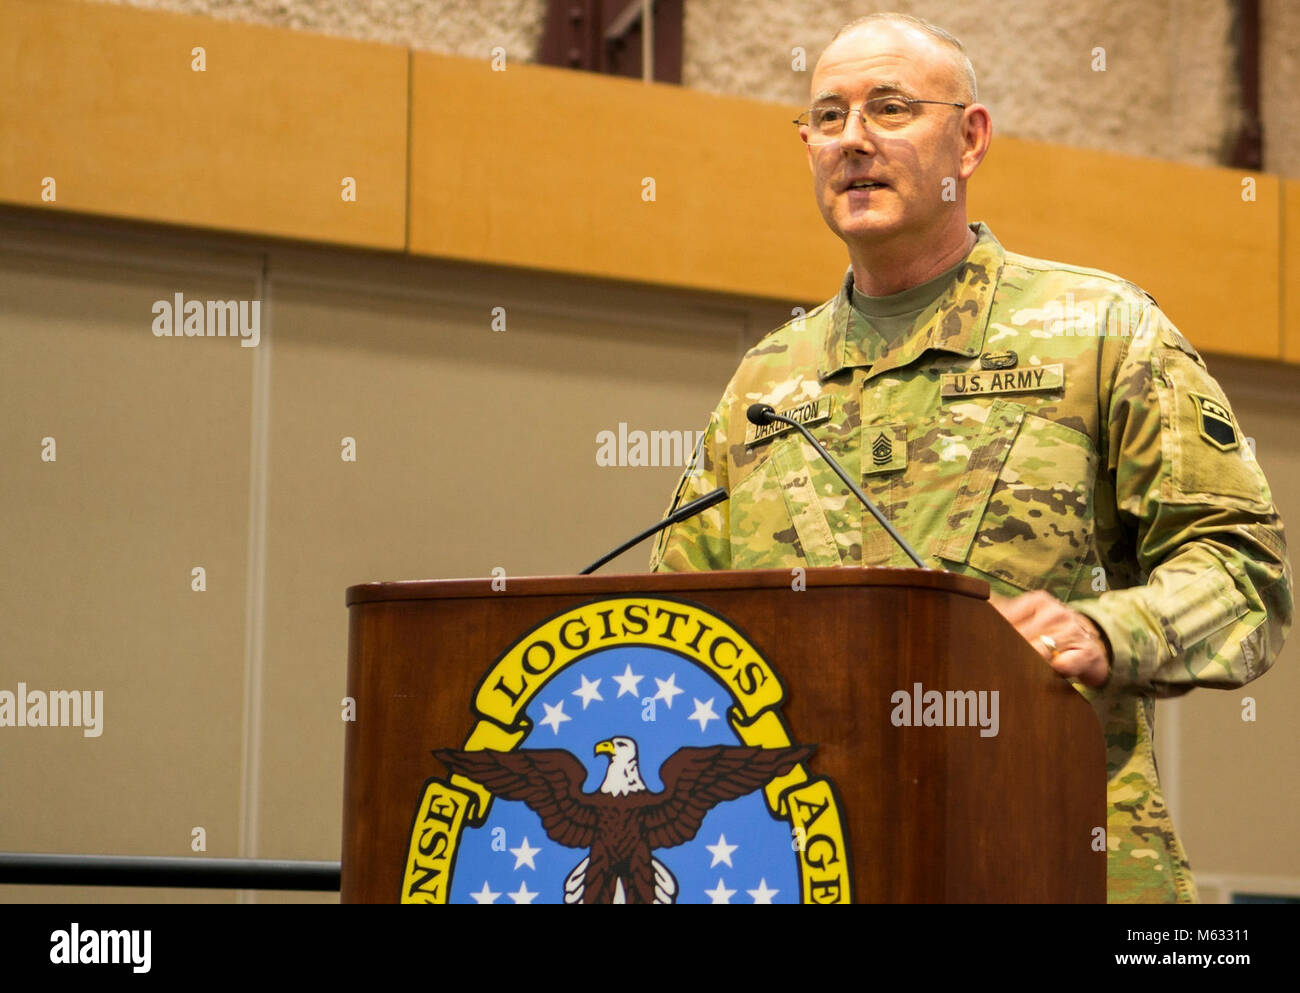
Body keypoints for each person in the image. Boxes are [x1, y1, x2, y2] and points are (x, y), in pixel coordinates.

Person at [649, 12, 1291, 903]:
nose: (855, 140)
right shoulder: (766, 383)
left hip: (1056, 856)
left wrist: (1108, 631)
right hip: (813, 869)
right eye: (828, 118)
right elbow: (671, 627)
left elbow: (1245, 575)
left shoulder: (1097, 330)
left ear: (970, 138)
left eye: (891, 108)